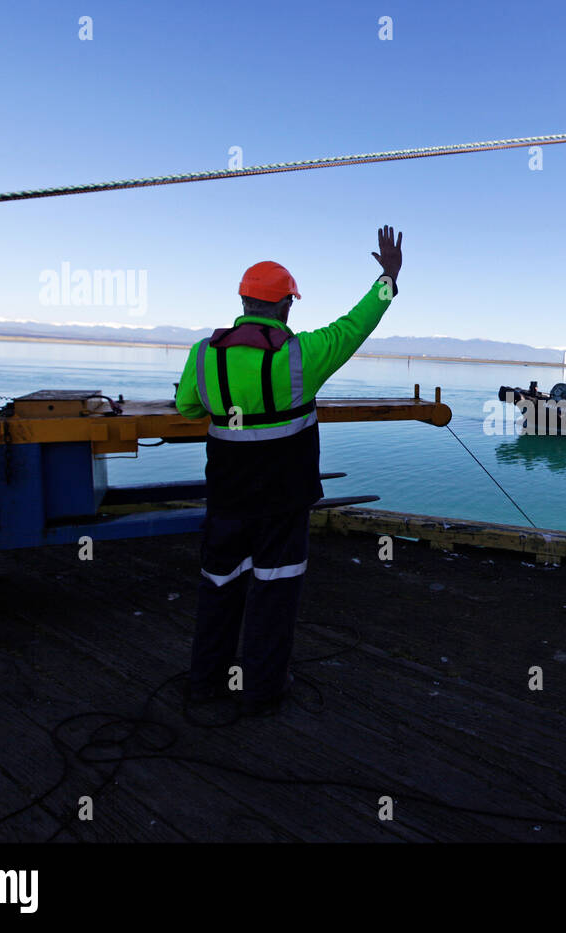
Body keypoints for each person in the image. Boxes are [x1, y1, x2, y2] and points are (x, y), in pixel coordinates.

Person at [175, 226, 403, 715]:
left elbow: (188, 409)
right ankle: (262, 690)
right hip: (282, 501)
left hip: (227, 499)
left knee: (218, 586)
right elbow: (355, 324)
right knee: (273, 592)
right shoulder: (303, 355)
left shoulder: (202, 356)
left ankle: (204, 681)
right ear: (286, 307)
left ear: (242, 300)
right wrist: (387, 277)